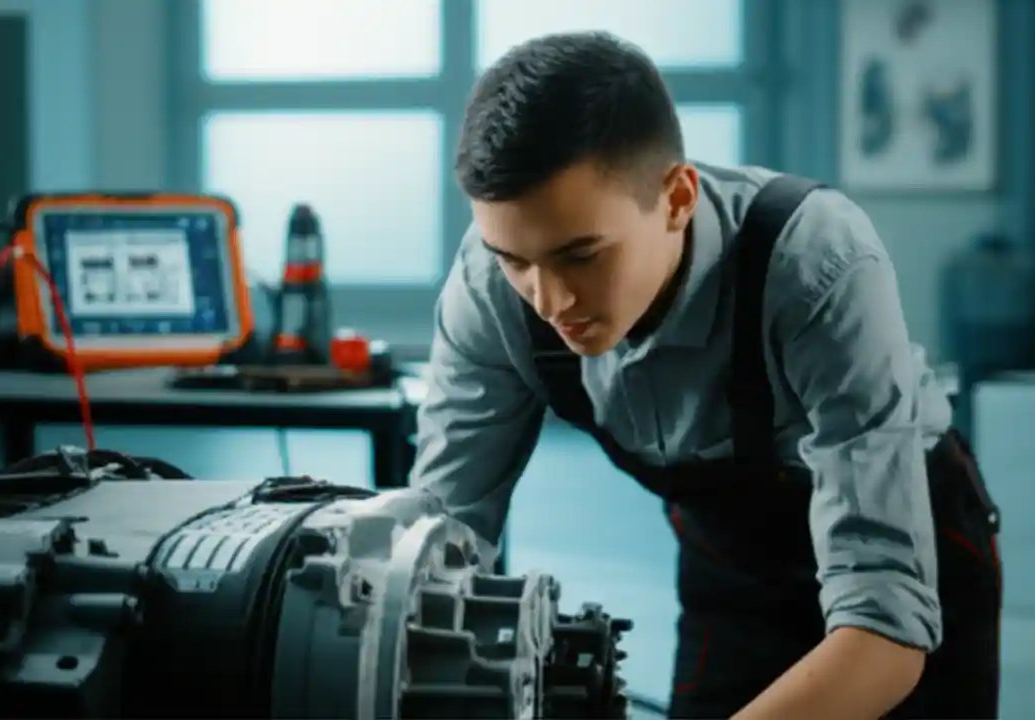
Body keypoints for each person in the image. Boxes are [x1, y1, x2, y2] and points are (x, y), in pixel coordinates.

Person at [408, 31, 1002, 720]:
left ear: (678, 198)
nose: (550, 300)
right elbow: (440, 552)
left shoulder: (817, 265)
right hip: (733, 561)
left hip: (908, 536)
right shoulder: (489, 287)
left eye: (582, 256)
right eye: (515, 260)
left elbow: (886, 631)